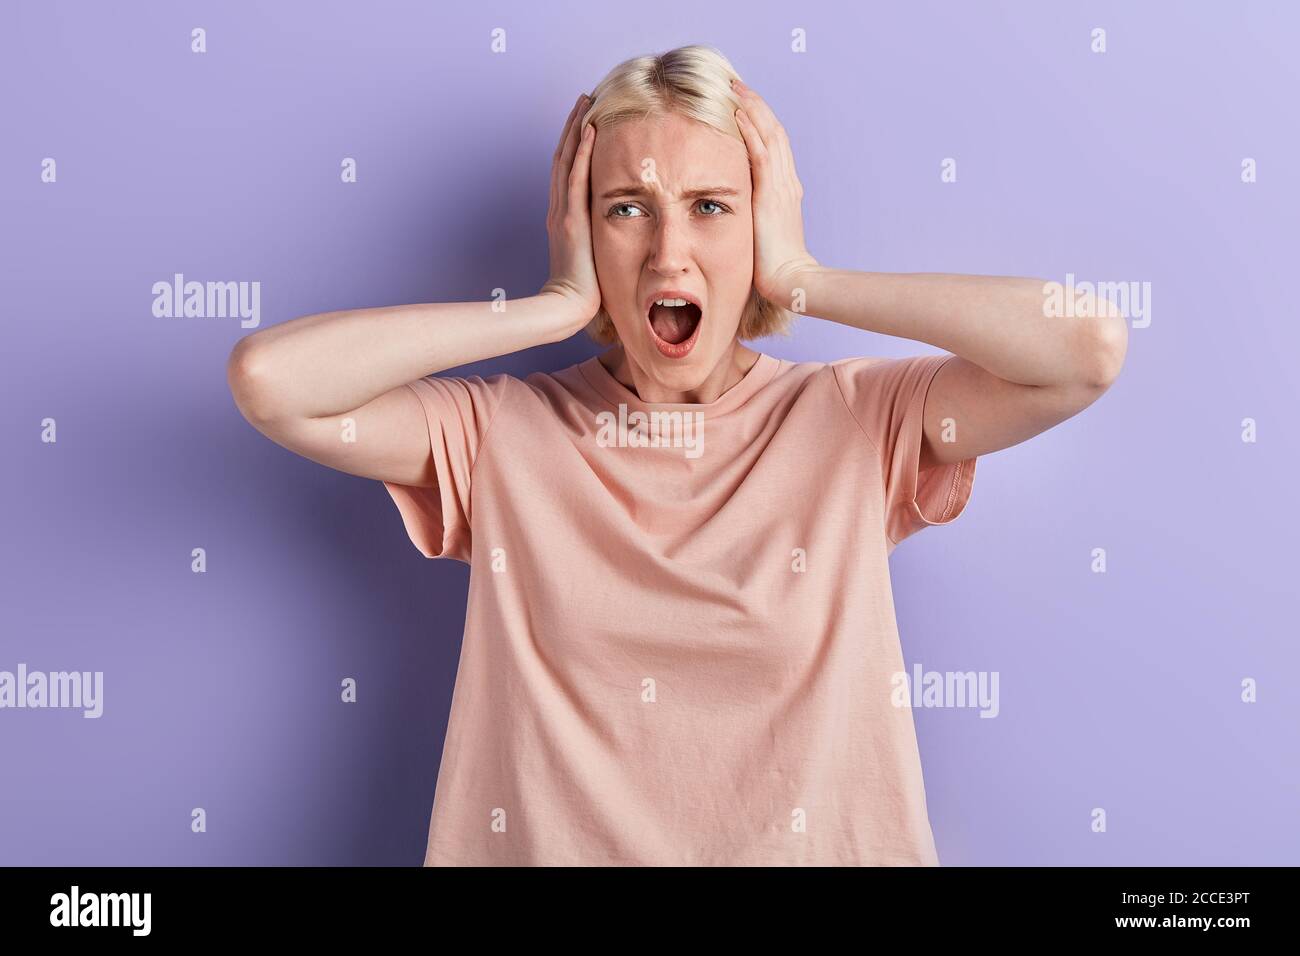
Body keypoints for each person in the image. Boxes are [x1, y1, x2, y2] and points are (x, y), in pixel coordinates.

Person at [226, 45, 1127, 866]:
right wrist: (552, 305)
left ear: (757, 226)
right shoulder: (500, 433)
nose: (670, 252)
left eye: (709, 207)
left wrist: (806, 277)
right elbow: (272, 381)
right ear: (583, 230)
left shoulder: (857, 421)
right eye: (628, 209)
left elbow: (1085, 350)